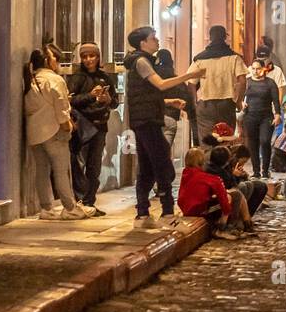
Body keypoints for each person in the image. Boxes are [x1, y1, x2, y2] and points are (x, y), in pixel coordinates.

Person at [123, 26, 203, 229]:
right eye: (153, 38)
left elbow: (147, 94)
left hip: (145, 118)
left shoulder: (142, 61)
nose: (157, 41)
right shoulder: (141, 61)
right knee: (162, 164)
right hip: (147, 120)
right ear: (143, 43)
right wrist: (189, 75)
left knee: (148, 167)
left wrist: (168, 102)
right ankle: (167, 213)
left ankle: (142, 213)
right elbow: (160, 84)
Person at [24, 47, 86, 220]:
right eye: (55, 59)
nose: (57, 63)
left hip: (34, 132)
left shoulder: (30, 79)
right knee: (61, 170)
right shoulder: (54, 79)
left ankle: (46, 208)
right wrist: (66, 124)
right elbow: (60, 103)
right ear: (47, 62)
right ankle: (69, 207)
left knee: (41, 170)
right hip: (53, 130)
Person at [66, 41, 117, 216]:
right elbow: (70, 101)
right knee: (79, 165)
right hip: (82, 128)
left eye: (92, 56)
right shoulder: (77, 78)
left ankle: (90, 202)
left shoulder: (105, 77)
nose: (88, 60)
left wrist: (107, 100)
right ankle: (80, 202)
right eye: (85, 56)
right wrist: (91, 96)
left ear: (98, 57)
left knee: (94, 167)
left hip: (100, 127)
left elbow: (115, 102)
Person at [190, 25, 246, 149]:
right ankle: (223, 166)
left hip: (205, 105)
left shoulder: (199, 59)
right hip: (226, 104)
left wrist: (195, 101)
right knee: (225, 140)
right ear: (225, 37)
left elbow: (191, 82)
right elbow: (242, 81)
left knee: (207, 142)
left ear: (210, 37)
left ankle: (208, 166)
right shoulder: (234, 57)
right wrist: (238, 101)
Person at [177, 148, 250, 240]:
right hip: (201, 210)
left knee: (232, 194)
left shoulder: (185, 175)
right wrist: (226, 213)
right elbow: (224, 200)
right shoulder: (211, 178)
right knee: (235, 195)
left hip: (186, 209)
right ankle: (227, 228)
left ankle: (244, 223)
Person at [242, 50, 282, 179]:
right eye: (253, 69)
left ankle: (265, 169)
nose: (255, 71)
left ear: (263, 69)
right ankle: (256, 171)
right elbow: (240, 97)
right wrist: (242, 104)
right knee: (252, 144)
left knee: (265, 141)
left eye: (258, 69)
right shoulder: (247, 82)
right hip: (250, 116)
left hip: (266, 117)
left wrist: (277, 114)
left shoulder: (270, 83)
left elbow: (276, 101)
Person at [206, 145, 260, 235]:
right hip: (213, 201)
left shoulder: (220, 168)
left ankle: (245, 221)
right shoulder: (216, 171)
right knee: (238, 193)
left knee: (245, 188)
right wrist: (235, 175)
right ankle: (237, 223)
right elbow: (230, 184)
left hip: (221, 195)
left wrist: (241, 175)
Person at [154, 48, 192, 156]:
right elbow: (187, 102)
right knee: (164, 154)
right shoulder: (175, 80)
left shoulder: (152, 79)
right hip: (170, 118)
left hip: (153, 117)